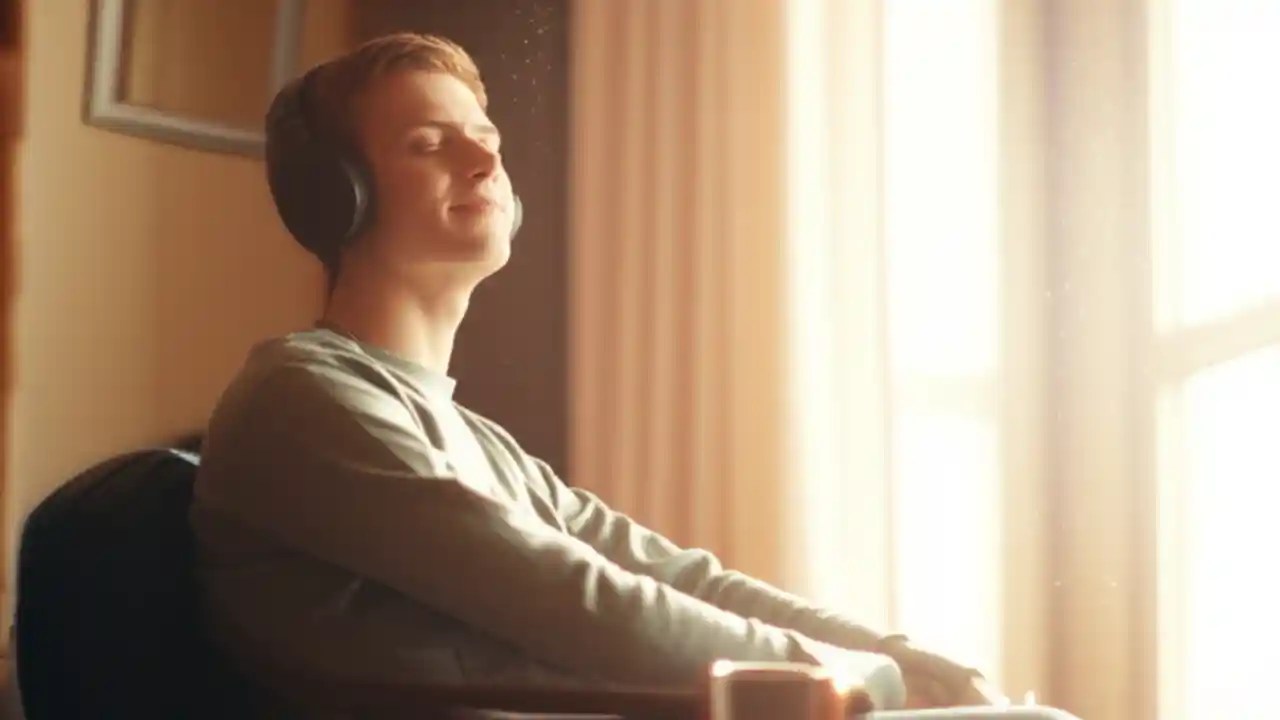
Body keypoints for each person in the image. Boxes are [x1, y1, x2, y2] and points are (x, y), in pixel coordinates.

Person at [190, 32, 1003, 713]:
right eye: (430, 145)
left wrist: (895, 656)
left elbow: (668, 574)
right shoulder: (303, 399)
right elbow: (587, 606)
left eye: (488, 138)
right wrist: (866, 683)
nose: (483, 159)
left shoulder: (474, 441)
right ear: (342, 198)